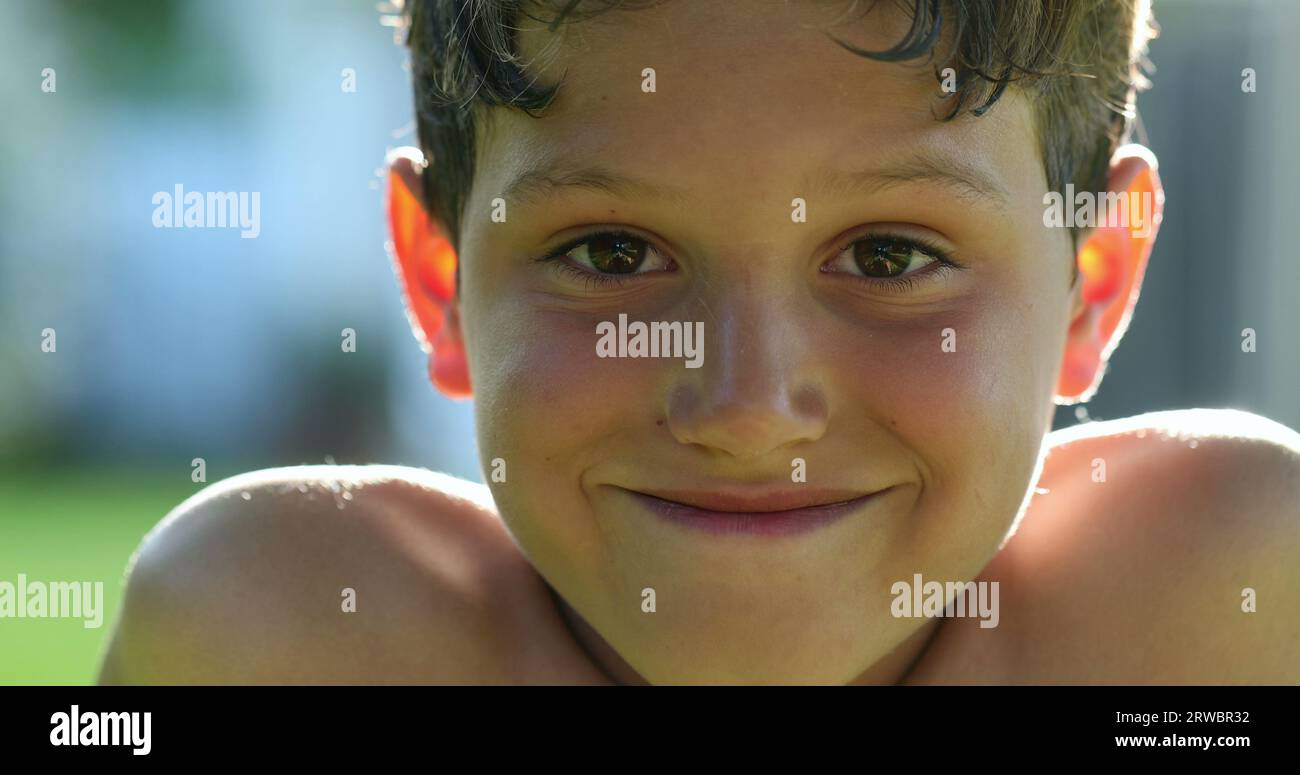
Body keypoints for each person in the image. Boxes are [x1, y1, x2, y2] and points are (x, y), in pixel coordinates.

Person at [99, 0, 1300, 685]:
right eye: (614, 255)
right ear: (441, 279)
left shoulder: (1218, 610)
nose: (746, 407)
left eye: (888, 258)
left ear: (1092, 283)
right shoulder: (287, 644)